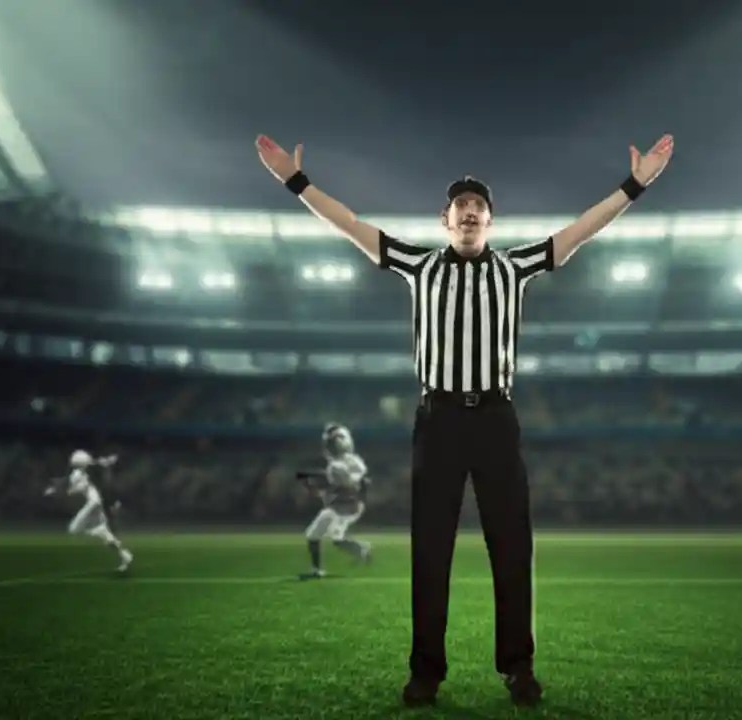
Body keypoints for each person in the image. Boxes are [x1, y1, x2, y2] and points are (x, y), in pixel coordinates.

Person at [255, 132, 674, 707]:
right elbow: (350, 224)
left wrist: (636, 184)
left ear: (490, 221)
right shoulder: (419, 265)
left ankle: (518, 667)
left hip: (496, 418)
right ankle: (426, 671)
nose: (470, 210)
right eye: (461, 205)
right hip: (440, 419)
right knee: (430, 549)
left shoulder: (514, 267)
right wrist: (294, 181)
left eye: (479, 205)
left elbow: (580, 229)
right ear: (446, 220)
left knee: (512, 546)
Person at [296, 422, 373, 579]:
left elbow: (349, 483)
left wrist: (314, 479)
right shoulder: (339, 464)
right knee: (313, 535)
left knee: (337, 539)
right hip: (336, 506)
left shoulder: (351, 463)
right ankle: (317, 570)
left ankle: (362, 548)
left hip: (348, 506)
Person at [44, 450, 133, 573]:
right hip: (96, 504)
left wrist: (54, 489)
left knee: (73, 529)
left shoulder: (78, 475)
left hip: (93, 504)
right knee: (103, 534)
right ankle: (124, 555)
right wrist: (106, 461)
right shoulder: (84, 473)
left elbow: (68, 483)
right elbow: (70, 481)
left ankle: (101, 532)